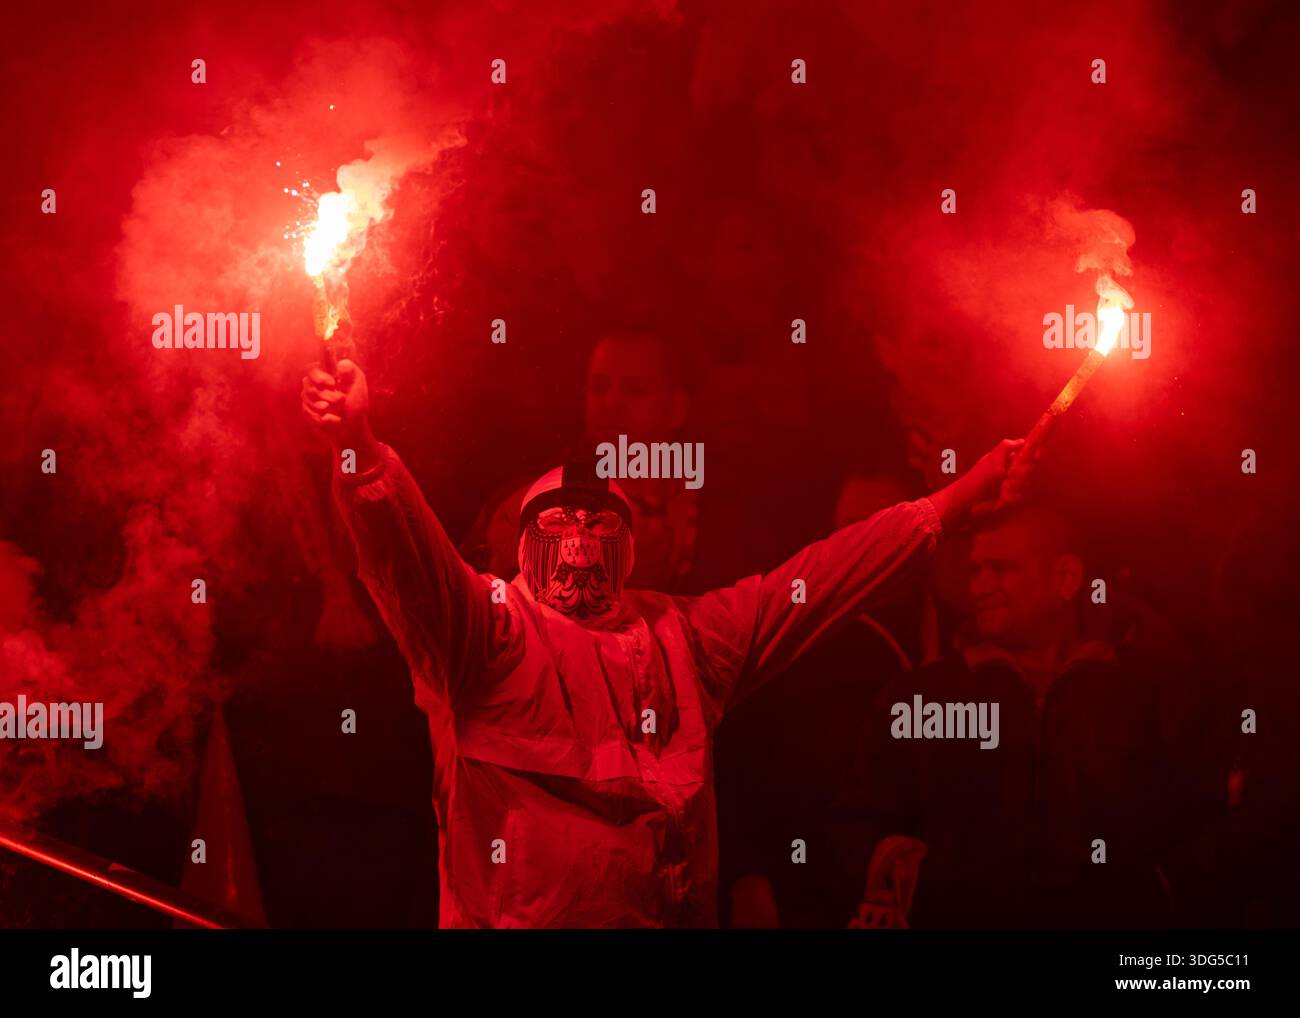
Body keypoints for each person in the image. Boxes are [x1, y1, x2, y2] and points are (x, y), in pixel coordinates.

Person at [301, 356, 1026, 928]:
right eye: (560, 522)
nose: (581, 538)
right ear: (521, 546)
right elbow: (406, 555)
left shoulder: (684, 637)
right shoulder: (481, 632)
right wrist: (358, 448)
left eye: (599, 522)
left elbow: (816, 581)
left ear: (634, 547)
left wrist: (953, 503)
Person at [840, 503, 1212, 928]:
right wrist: (902, 877)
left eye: (1001, 569)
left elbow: (1197, 827)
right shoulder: (922, 696)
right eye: (975, 570)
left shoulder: (1145, 693)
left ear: (1066, 578)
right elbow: (858, 820)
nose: (980, 585)